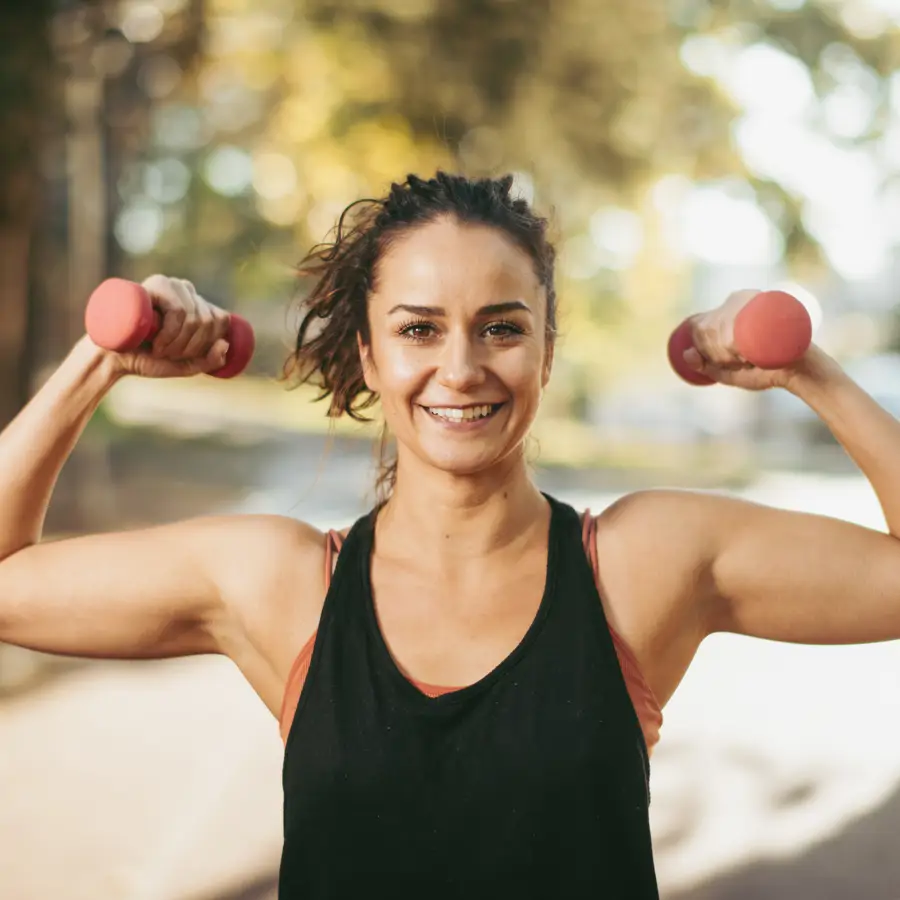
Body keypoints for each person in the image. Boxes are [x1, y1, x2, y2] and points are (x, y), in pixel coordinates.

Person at [1, 171, 899, 898]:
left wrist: (809, 372)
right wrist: (101, 362)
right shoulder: (281, 585)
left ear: (546, 352)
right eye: (418, 329)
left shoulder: (641, 563)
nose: (461, 367)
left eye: (501, 328)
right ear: (368, 353)